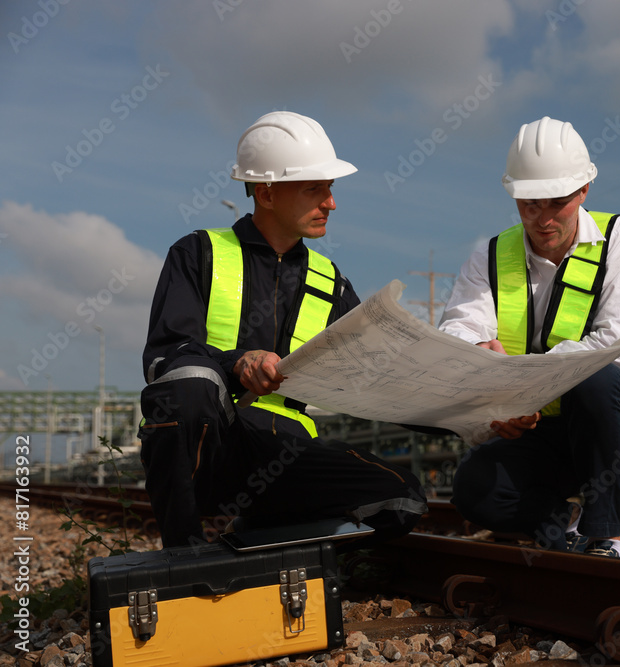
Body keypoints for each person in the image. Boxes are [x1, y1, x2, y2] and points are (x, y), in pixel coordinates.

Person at [139, 111, 427, 549]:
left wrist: (479, 412)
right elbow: (165, 357)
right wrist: (236, 363)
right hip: (214, 448)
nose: (330, 203)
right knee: (189, 385)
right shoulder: (199, 253)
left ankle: (258, 542)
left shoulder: (330, 282)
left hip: (287, 454)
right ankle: (185, 554)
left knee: (400, 497)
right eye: (315, 189)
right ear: (267, 194)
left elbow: (384, 376)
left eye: (330, 189)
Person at [439, 116, 620, 558]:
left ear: (583, 192)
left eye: (556, 203)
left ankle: (605, 536)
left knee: (592, 374)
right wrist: (492, 390)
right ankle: (562, 525)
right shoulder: (488, 257)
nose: (542, 219)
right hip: (542, 431)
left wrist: (525, 384)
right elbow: (460, 334)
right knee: (475, 488)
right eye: (530, 204)